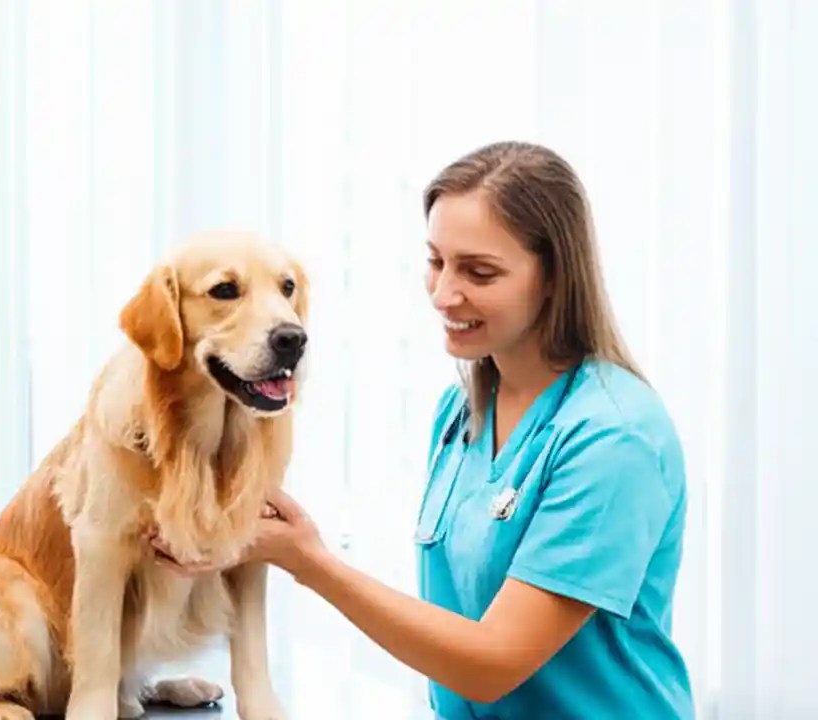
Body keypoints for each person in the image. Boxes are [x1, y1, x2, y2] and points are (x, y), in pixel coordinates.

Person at [152, 141, 695, 719]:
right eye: (436, 261)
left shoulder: (613, 440)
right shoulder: (461, 413)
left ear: (555, 278)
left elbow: (492, 665)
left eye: (479, 272)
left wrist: (308, 560)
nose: (443, 294)